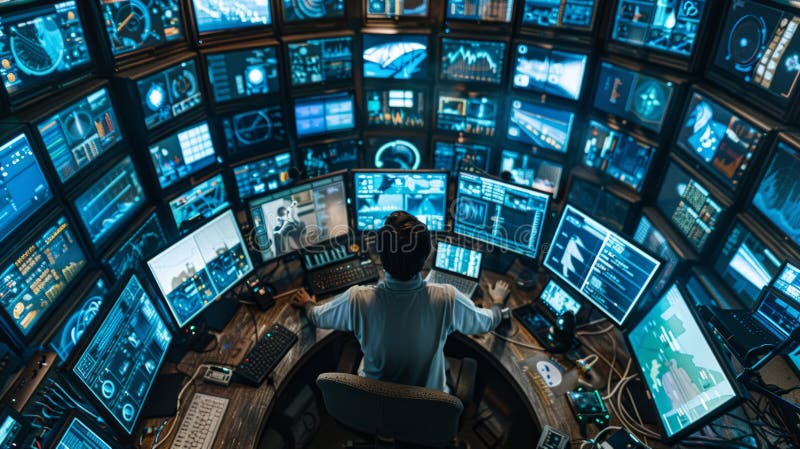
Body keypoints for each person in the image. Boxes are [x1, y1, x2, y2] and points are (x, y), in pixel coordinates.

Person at [292, 211, 511, 393]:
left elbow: (317, 317)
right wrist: (499, 305)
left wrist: (307, 304)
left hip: (374, 400)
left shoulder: (358, 299)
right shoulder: (446, 298)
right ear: (426, 255)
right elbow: (486, 322)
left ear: (380, 256)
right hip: (428, 403)